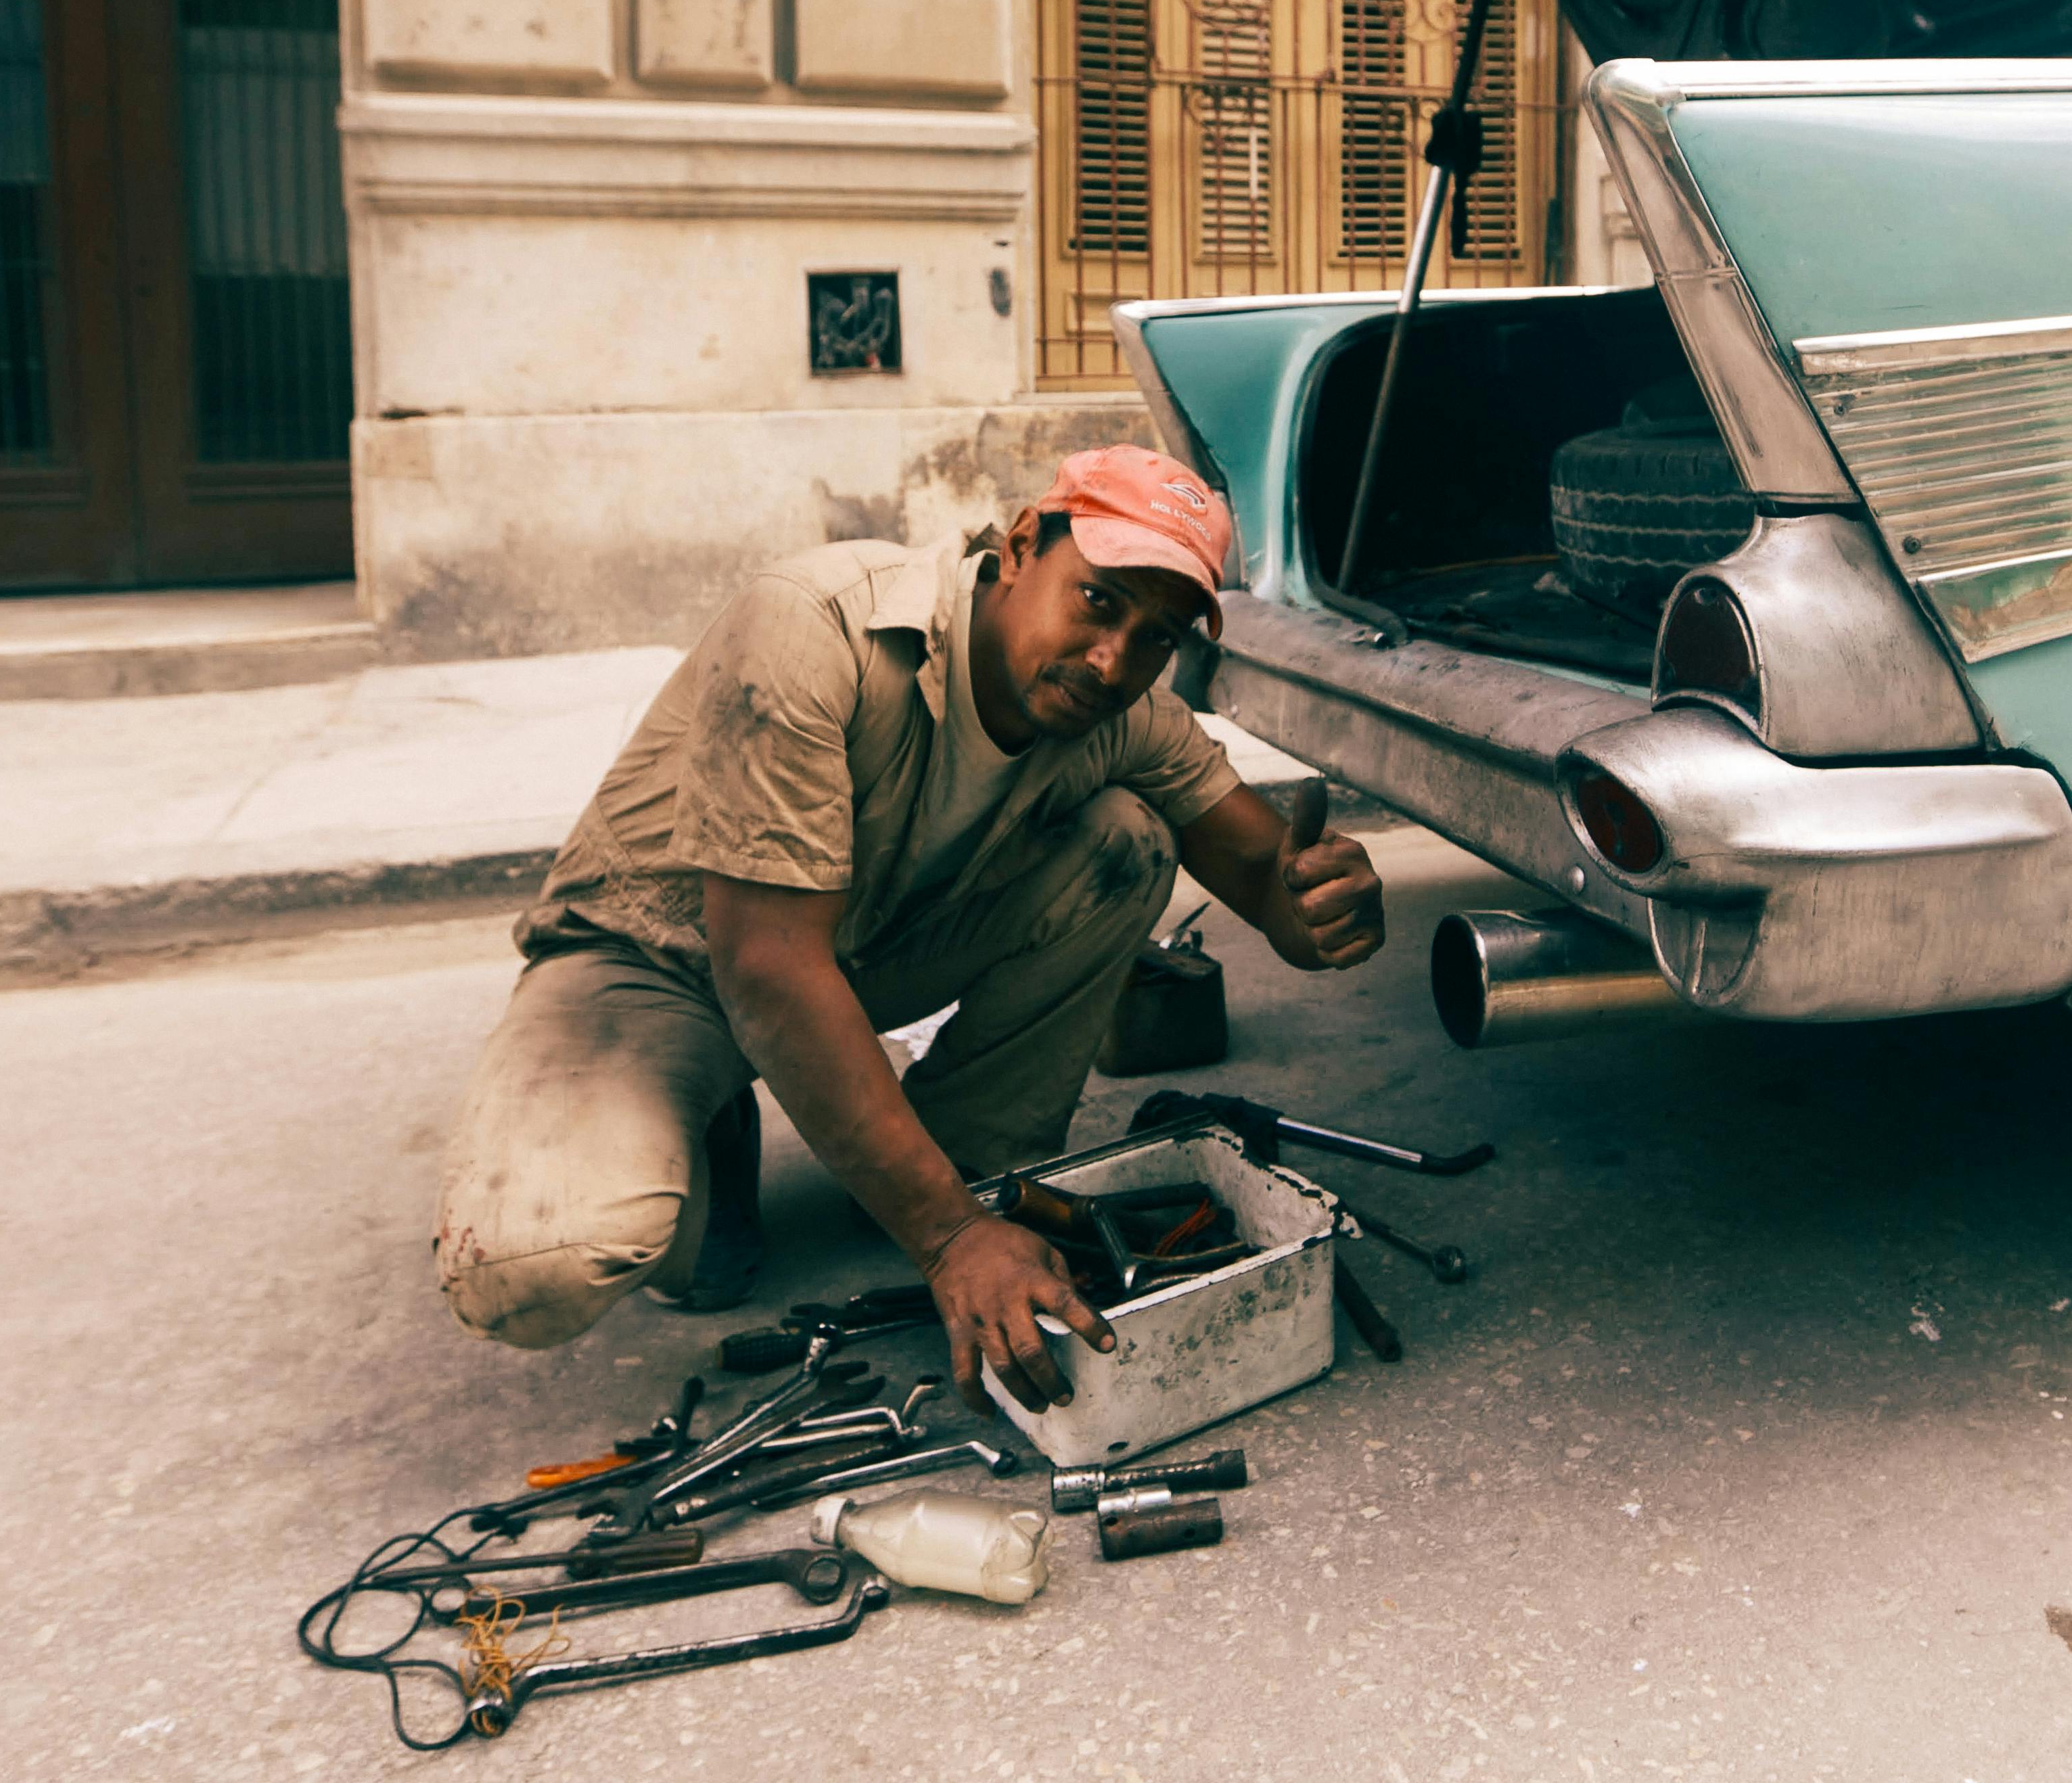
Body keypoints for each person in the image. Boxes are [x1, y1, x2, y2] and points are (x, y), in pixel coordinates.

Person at [432, 444, 1384, 1414]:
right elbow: (765, 965)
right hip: (657, 962)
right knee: (531, 1270)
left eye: (1157, 637)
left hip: (851, 953)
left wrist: (1318, 906)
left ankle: (958, 1162)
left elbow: (1267, 873)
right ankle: (723, 1113)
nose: (1115, 661)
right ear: (1020, 547)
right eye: (1099, 601)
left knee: (1129, 840)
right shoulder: (816, 623)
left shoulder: (1122, 707)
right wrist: (949, 1241)